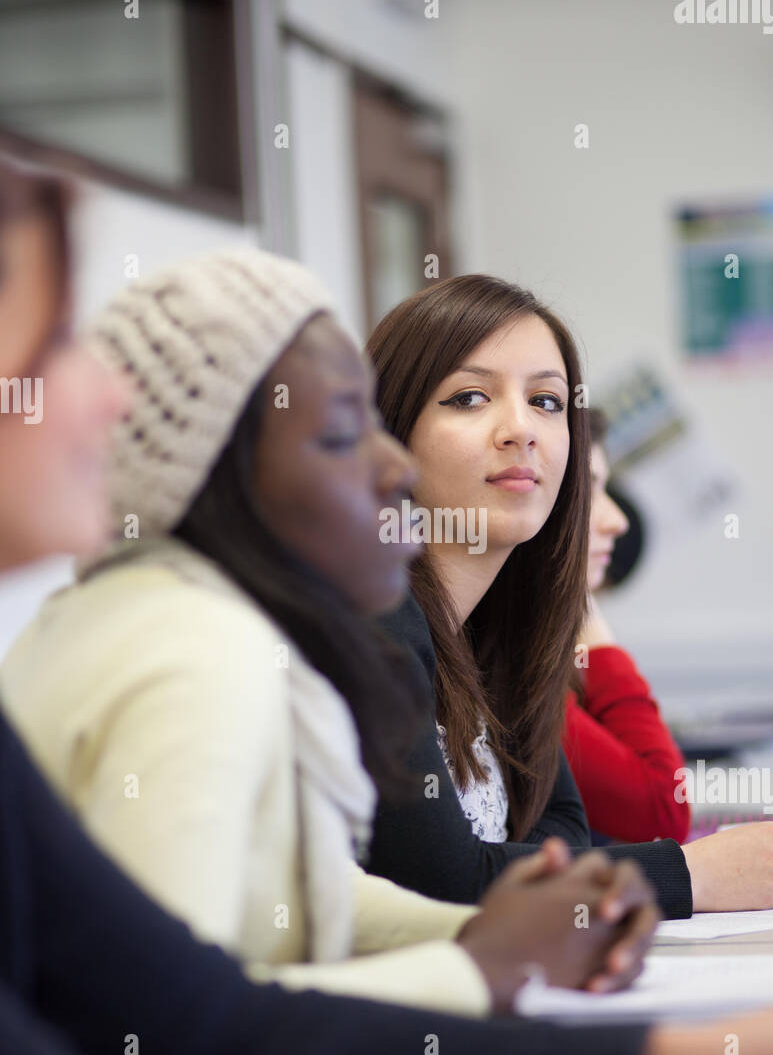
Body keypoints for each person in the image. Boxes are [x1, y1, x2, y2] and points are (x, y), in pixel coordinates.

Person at [1, 156, 773, 1055]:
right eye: (54, 345)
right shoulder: (209, 644)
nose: (391, 469)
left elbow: (272, 950)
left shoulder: (435, 631)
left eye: (549, 403)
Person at [1, 242, 661, 1013]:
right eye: (346, 433)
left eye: (547, 402)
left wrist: (502, 937)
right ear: (229, 477)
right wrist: (483, 967)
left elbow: (321, 897)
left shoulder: (183, 621)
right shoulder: (194, 649)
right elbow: (158, 1022)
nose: (395, 469)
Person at [366, 275, 773, 914]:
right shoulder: (377, 619)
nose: (520, 429)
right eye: (469, 397)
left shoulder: (502, 628)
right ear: (390, 438)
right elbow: (439, 881)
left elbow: (562, 831)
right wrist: (692, 876)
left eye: (547, 402)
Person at [562, 408, 690, 844]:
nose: (617, 520)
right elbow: (663, 812)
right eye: (591, 488)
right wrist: (588, 619)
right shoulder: (498, 669)